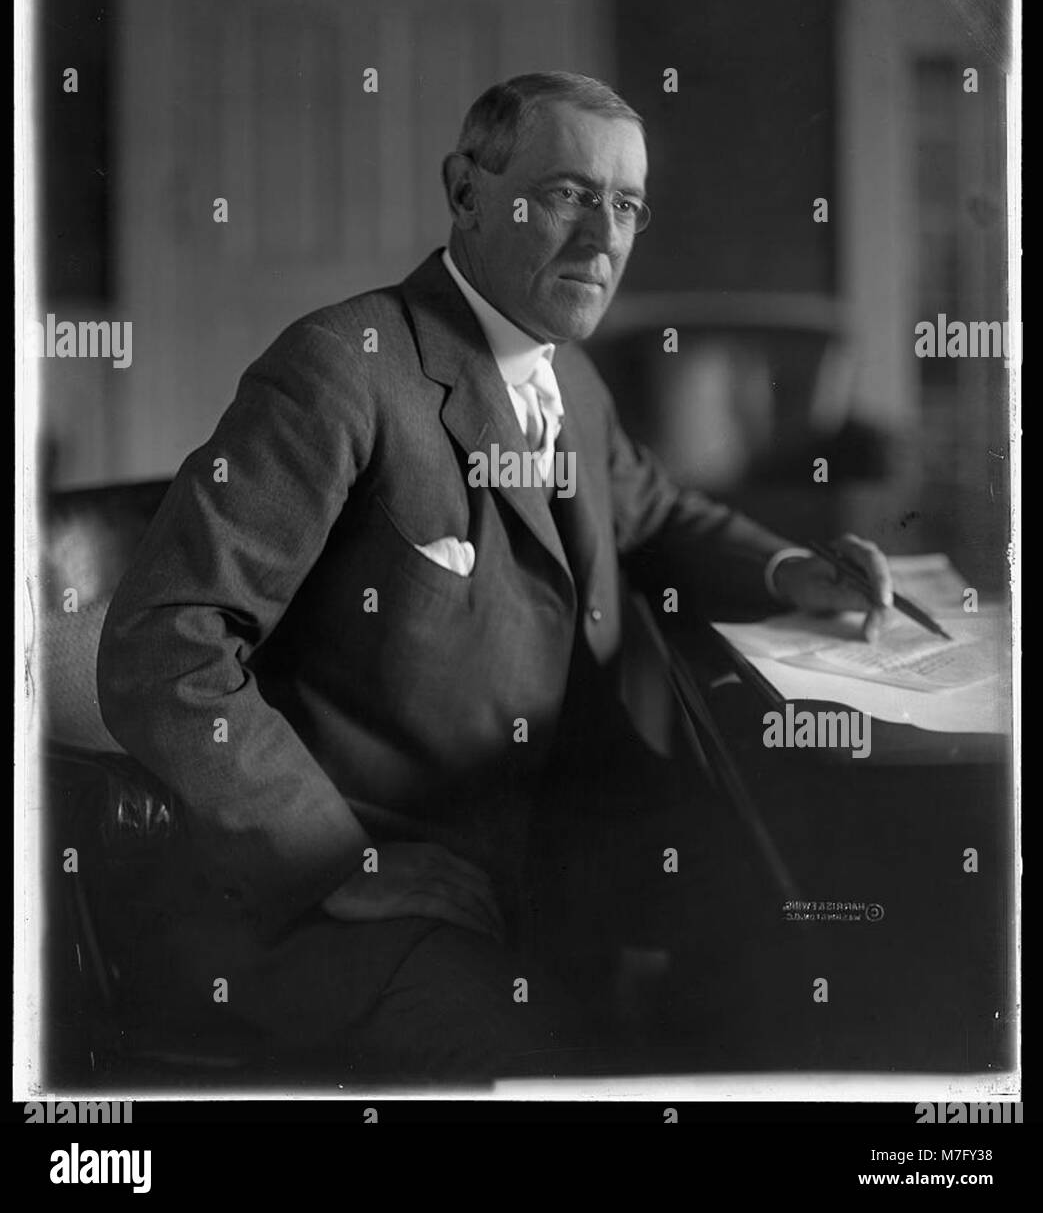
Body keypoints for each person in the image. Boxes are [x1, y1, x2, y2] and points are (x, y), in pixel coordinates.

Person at [97, 71, 893, 1082]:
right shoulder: (339, 368)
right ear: (465, 191)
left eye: (627, 205)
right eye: (565, 194)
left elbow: (649, 510)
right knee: (552, 1077)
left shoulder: (566, 374)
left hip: (538, 865)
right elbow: (163, 643)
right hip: (336, 903)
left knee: (802, 981)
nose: (603, 237)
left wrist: (790, 572)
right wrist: (336, 861)